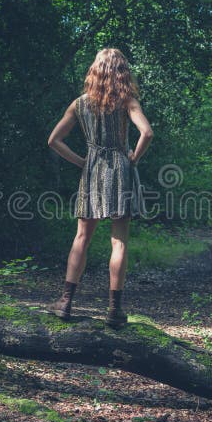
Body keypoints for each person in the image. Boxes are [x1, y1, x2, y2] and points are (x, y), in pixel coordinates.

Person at [46, 48, 153, 327]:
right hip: (121, 169)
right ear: (121, 72)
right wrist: (134, 158)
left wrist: (82, 162)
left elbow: (54, 140)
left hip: (93, 171)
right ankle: (114, 310)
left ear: (94, 71)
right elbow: (147, 133)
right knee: (119, 241)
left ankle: (65, 302)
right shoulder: (127, 101)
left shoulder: (79, 104)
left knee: (82, 237)